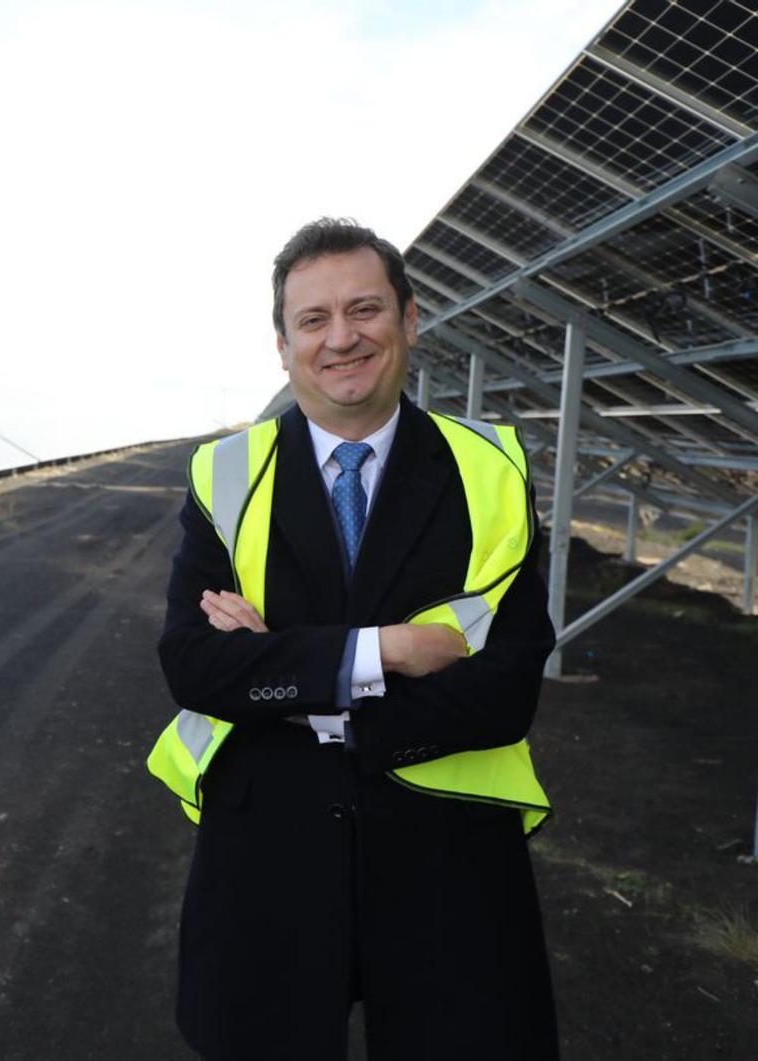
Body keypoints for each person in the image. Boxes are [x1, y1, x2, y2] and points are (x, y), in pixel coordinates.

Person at [150, 218, 558, 1059]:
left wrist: (303, 690)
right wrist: (385, 652)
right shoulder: (224, 475)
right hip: (267, 856)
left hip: (448, 855)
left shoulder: (492, 471)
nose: (342, 338)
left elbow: (508, 684)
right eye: (314, 319)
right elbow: (194, 664)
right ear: (283, 342)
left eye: (366, 309)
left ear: (410, 319)